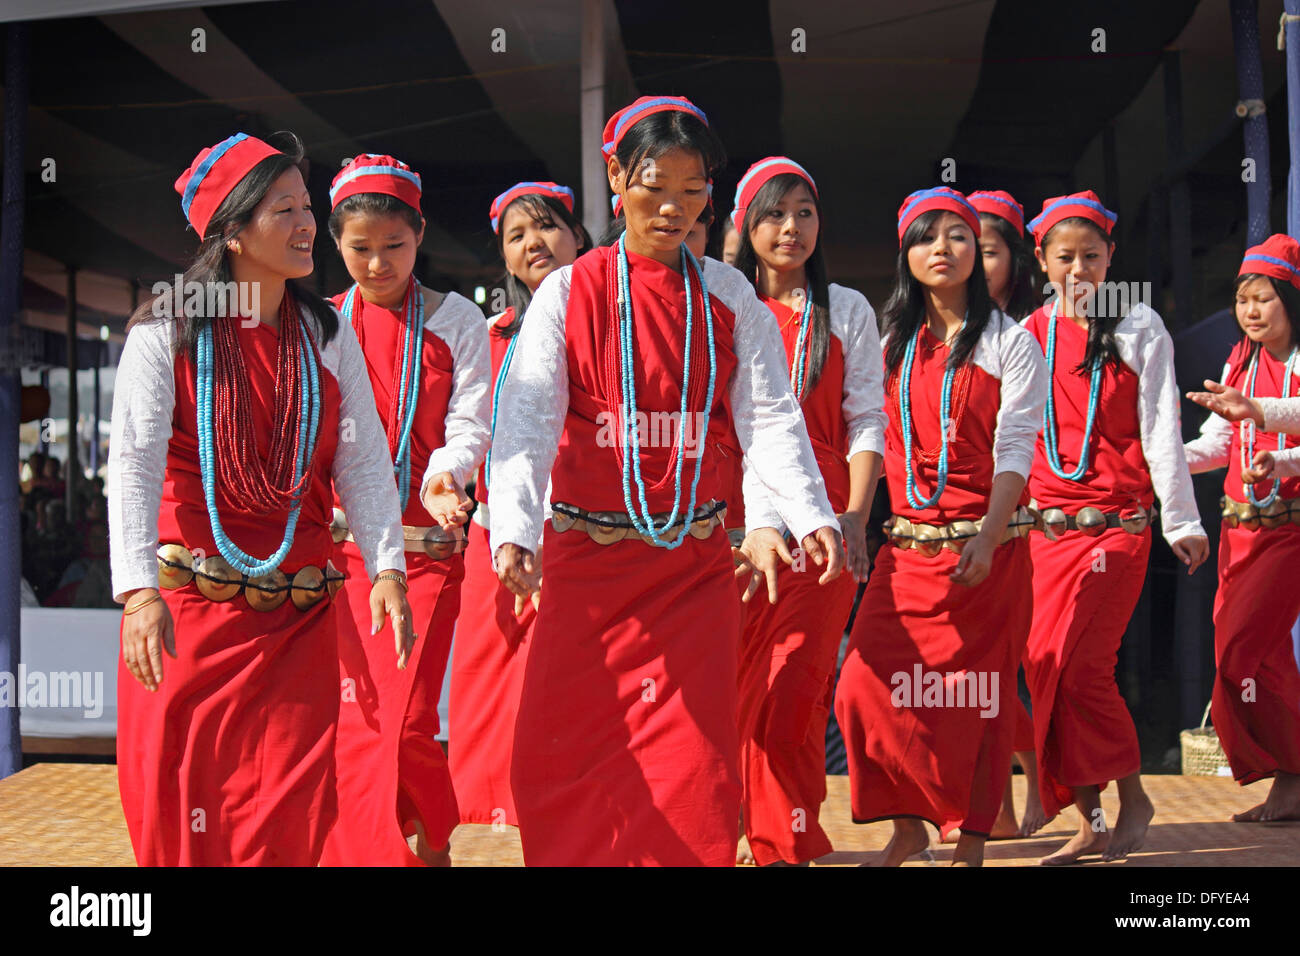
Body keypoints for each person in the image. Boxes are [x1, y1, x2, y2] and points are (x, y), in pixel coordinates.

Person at [489, 96, 843, 866]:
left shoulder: (729, 294)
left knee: (692, 761)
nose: (676, 208)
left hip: (693, 570)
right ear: (616, 179)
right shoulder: (570, 291)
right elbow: (526, 423)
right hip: (585, 570)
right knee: (562, 750)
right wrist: (513, 529)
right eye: (655, 187)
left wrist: (809, 513)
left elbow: (770, 416)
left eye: (694, 191)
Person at [108, 132, 412, 866]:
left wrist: (388, 569)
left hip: (298, 624)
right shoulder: (166, 331)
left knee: (288, 820)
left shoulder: (325, 335)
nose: (309, 223)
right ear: (234, 230)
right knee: (182, 816)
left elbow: (364, 461)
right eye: (284, 210)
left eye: (307, 206)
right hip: (191, 623)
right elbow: (134, 461)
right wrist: (138, 594)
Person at [832, 187, 1048, 867]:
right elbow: (863, 431)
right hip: (907, 552)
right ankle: (907, 825)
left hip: (987, 552)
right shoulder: (889, 341)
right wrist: (855, 522)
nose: (944, 250)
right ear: (907, 254)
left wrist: (987, 534)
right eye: (927, 238)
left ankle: (973, 840)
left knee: (979, 701)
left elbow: (1017, 447)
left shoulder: (1011, 343)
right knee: (863, 689)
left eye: (958, 237)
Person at [1022, 191, 1208, 864]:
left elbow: (1162, 430)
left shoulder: (1138, 325)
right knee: (1047, 668)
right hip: (1044, 536)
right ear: (1040, 259)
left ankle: (1124, 804)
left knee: (1082, 673)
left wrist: (1181, 520)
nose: (1079, 271)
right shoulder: (1026, 333)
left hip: (1114, 531)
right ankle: (1100, 812)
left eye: (1092, 257)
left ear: (1112, 258)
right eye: (1064, 257)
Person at [319, 154, 491, 866]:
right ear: (335, 243)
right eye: (360, 248)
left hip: (427, 553)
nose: (378, 262)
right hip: (335, 558)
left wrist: (449, 474)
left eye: (394, 245)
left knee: (407, 714)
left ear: (419, 235)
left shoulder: (457, 321)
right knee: (357, 717)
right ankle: (419, 844)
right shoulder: (320, 324)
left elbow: (471, 420)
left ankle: (416, 844)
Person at [726, 156, 885, 866]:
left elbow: (867, 422)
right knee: (730, 690)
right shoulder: (720, 301)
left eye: (804, 213)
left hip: (821, 533)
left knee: (795, 688)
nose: (790, 228)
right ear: (744, 224)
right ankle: (726, 826)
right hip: (733, 533)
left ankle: (785, 839)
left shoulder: (845, 309)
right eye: (773, 213)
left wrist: (855, 517)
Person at [450, 180, 590, 829]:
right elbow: (467, 428)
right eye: (517, 235)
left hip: (583, 539)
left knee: (565, 687)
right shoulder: (486, 335)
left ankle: (556, 819)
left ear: (579, 236)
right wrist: (448, 479)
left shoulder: (607, 329)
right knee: (486, 684)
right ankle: (483, 826)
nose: (535, 242)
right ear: (505, 257)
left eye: (548, 226)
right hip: (493, 537)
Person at [1183, 233, 1300, 823]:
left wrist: (1277, 456)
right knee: (1267, 657)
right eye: (1243, 300)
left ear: (1291, 301)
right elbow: (1218, 445)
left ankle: (1293, 772)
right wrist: (1159, 459)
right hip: (1238, 532)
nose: (1251, 311)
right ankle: (1290, 778)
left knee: (1242, 654)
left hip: (1289, 532)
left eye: (1265, 299)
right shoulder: (1240, 359)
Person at [968, 188, 1043, 837]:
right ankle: (1019, 789)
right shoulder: (923, 334)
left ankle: (1016, 797)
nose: (967, 259)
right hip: (947, 535)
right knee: (973, 669)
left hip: (1028, 521)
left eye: (986, 249)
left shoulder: (1035, 331)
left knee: (1009, 662)